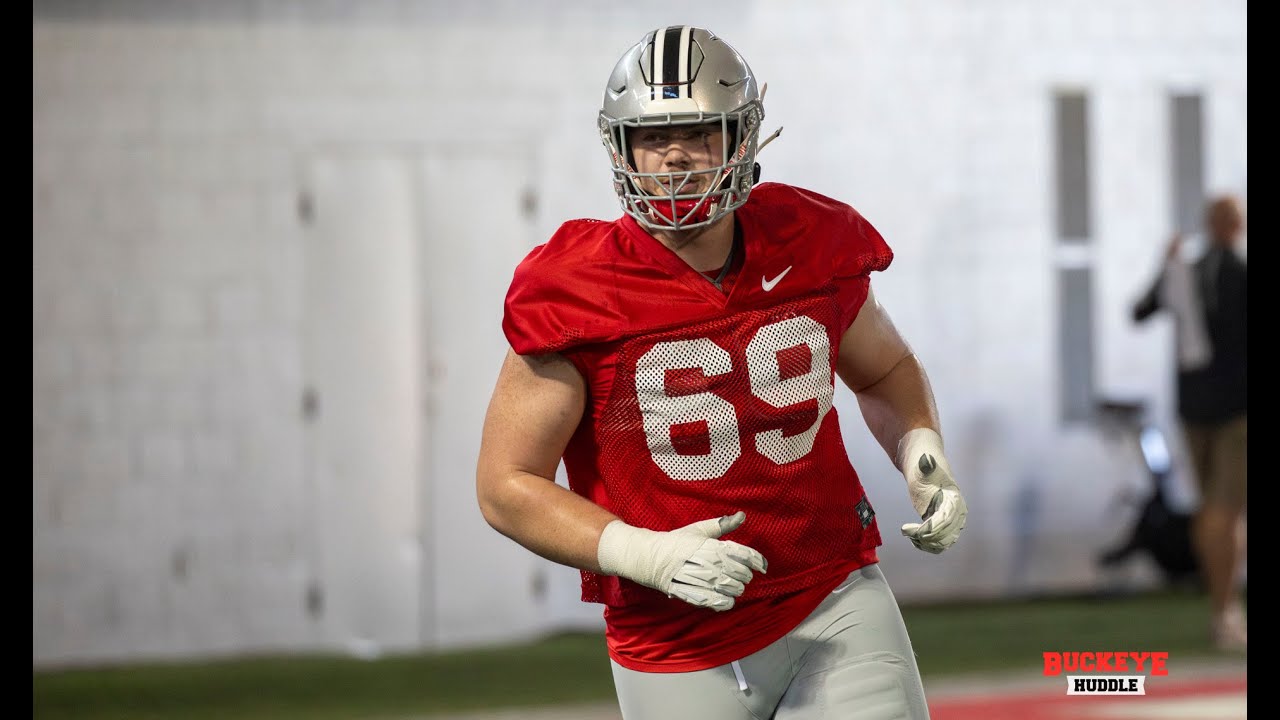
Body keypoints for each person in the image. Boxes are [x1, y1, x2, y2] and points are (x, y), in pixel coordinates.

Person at [477, 26, 967, 719]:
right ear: (620, 148)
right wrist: (639, 553)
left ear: (743, 138)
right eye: (652, 137)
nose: (675, 155)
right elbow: (505, 485)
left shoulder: (813, 237)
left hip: (832, 595)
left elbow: (884, 368)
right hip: (672, 635)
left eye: (699, 131)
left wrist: (922, 449)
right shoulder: (573, 286)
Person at [1132, 193, 1247, 651]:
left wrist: (1167, 270)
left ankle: (1222, 609)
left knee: (1214, 512)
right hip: (1233, 412)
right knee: (1224, 512)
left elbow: (1140, 311)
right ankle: (1224, 611)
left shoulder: (1187, 273)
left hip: (1195, 410)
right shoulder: (1236, 274)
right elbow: (1141, 312)